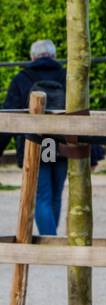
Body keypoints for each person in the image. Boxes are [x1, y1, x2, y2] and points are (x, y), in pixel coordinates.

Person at [0, 40, 69, 236]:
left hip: (36, 143)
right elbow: (83, 113)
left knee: (42, 196)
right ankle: (52, 238)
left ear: (32, 57)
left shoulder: (22, 79)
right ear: (54, 56)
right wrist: (95, 154)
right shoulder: (67, 77)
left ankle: (50, 242)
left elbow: (9, 115)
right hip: (61, 143)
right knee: (56, 194)